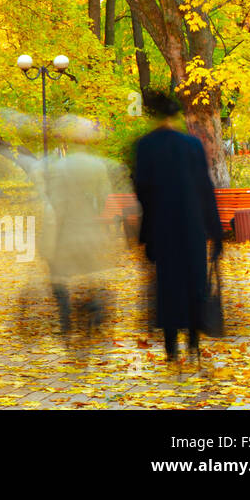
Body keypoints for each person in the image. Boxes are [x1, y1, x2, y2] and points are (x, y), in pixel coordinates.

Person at [132, 89, 223, 365]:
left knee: (168, 284)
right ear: (174, 116)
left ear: (152, 116)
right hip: (192, 226)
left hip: (163, 228)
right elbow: (205, 190)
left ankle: (171, 349)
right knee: (195, 282)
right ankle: (193, 343)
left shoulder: (145, 146)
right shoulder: (192, 145)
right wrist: (215, 232)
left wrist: (145, 235)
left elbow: (143, 193)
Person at [41, 117, 117, 339]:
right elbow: (106, 199)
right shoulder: (98, 166)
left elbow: (57, 205)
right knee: (90, 274)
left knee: (58, 274)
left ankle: (66, 318)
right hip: (91, 230)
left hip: (68, 231)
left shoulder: (61, 167)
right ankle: (94, 308)